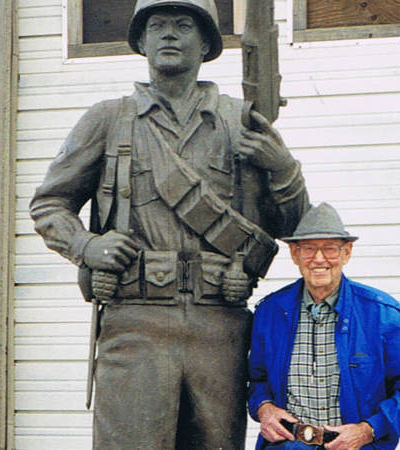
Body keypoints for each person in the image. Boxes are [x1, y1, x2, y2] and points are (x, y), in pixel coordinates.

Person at [29, 0, 309, 448]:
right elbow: (49, 204)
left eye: (183, 25)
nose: (169, 35)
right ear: (141, 40)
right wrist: (86, 246)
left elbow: (294, 225)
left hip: (219, 323)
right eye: (157, 25)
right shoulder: (108, 119)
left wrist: (283, 168)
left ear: (206, 43)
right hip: (135, 322)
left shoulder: (241, 119)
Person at [248, 203, 400, 450]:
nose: (318, 259)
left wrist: (368, 430)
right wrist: (264, 408)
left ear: (347, 252)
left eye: (330, 249)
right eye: (308, 249)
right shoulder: (270, 312)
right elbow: (256, 380)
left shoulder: (381, 313)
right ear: (294, 254)